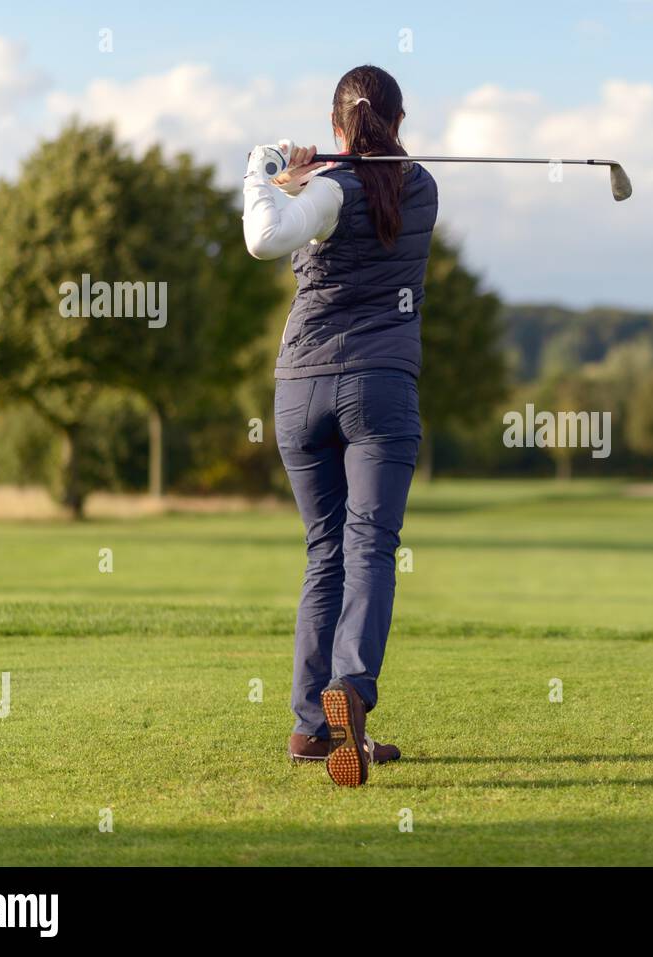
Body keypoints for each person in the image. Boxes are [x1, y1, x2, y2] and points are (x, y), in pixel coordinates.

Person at [242, 64, 437, 788]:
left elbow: (266, 237)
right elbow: (357, 197)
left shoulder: (328, 187)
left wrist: (263, 173)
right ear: (399, 121)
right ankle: (349, 691)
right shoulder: (422, 188)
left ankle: (311, 727)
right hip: (380, 387)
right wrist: (306, 180)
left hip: (301, 389)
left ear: (335, 126)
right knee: (370, 545)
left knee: (324, 550)